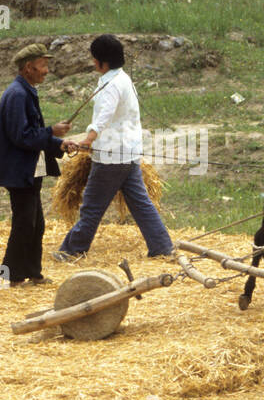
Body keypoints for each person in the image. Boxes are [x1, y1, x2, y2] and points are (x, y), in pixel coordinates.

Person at [54, 34, 174, 262]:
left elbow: (103, 118)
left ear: (102, 61)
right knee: (140, 203)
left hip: (111, 157)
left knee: (92, 205)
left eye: (94, 59)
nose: (92, 63)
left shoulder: (111, 85)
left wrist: (87, 141)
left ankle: (71, 250)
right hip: (128, 153)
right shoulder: (122, 79)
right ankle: (162, 247)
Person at [0, 43, 71, 287]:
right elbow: (21, 136)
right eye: (43, 65)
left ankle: (34, 273)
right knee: (24, 223)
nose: (46, 70)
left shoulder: (25, 91)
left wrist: (60, 143)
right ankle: (9, 276)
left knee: (35, 223)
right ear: (28, 68)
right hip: (18, 171)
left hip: (29, 169)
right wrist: (51, 131)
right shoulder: (17, 95)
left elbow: (33, 134)